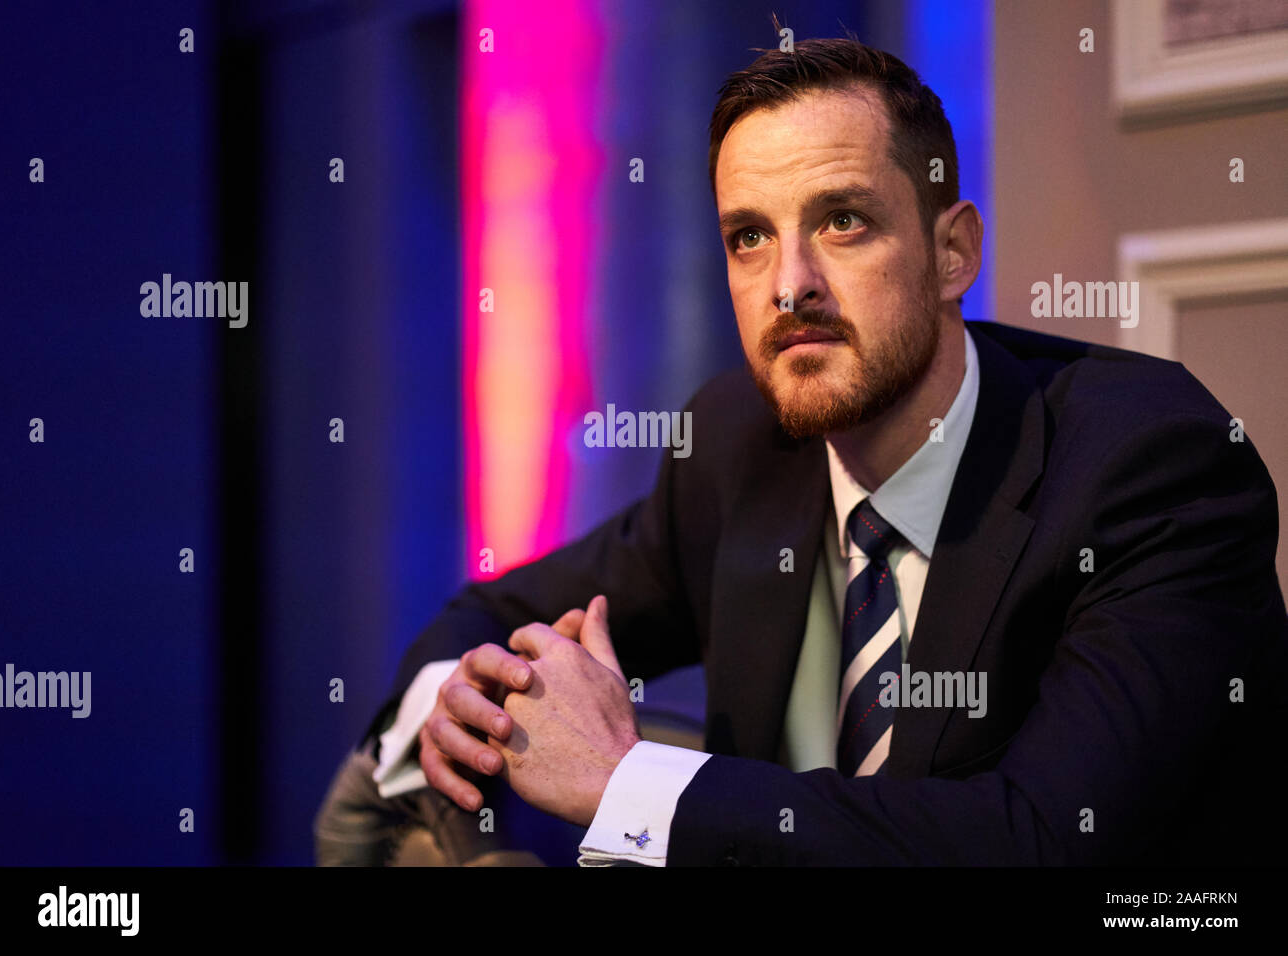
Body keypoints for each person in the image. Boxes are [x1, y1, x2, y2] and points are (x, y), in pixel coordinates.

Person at [327, 37, 1288, 866]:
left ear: (954, 252)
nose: (791, 285)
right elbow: (491, 610)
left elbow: (1038, 842)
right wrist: (457, 700)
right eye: (750, 237)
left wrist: (628, 782)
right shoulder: (737, 447)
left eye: (843, 221)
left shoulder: (1151, 465)